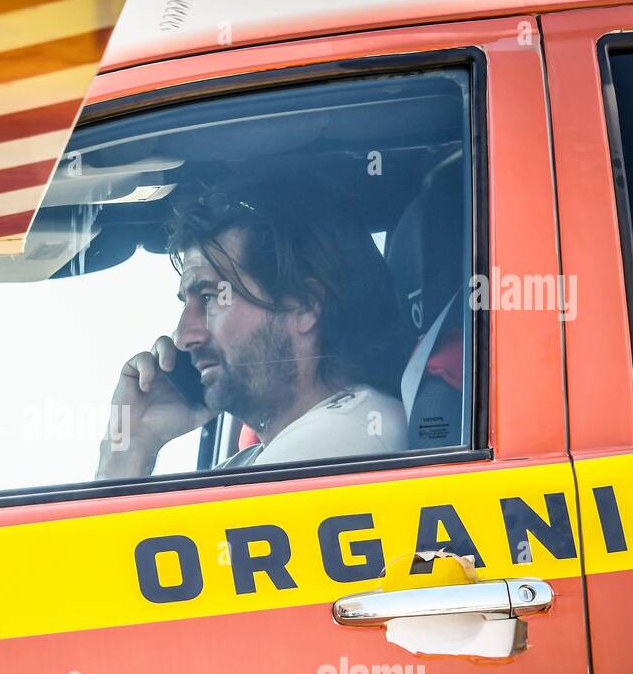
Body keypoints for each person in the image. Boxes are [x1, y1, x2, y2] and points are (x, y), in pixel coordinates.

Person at [96, 178, 411, 479]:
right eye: (186, 304)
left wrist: (122, 460)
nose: (182, 336)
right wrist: (134, 440)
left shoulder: (339, 440)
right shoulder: (267, 456)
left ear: (305, 305)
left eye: (209, 298)